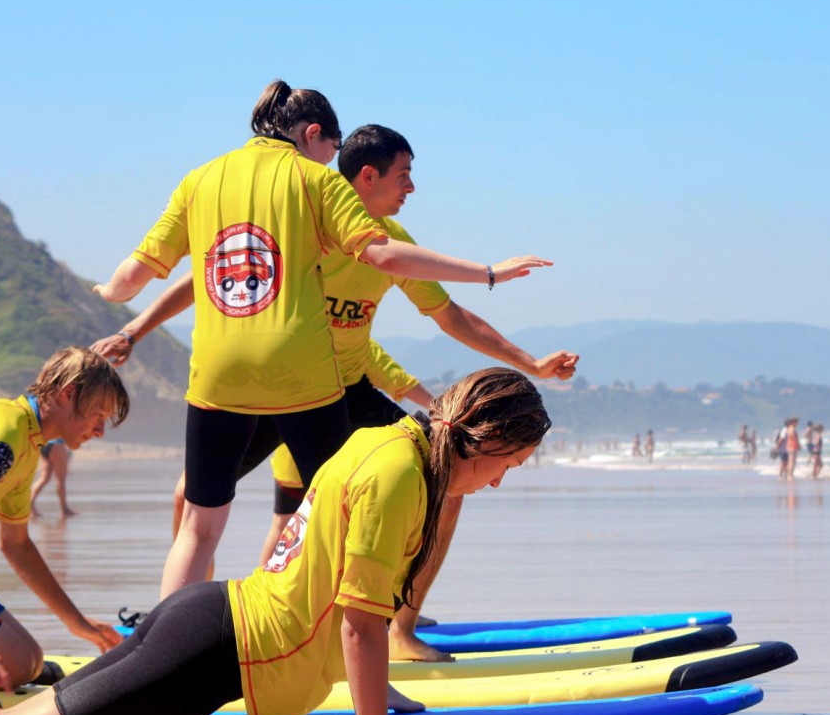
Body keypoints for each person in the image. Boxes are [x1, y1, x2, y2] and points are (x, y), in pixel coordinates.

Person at [0, 368, 550, 715]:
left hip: (208, 623)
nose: (497, 482)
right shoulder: (402, 479)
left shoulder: (381, 441)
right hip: (211, 653)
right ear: (488, 438)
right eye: (509, 465)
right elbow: (360, 626)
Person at [95, 122, 577, 660]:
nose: (411, 189)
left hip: (342, 391)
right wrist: (133, 331)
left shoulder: (396, 245)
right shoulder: (307, 219)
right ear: (366, 176)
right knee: (196, 499)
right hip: (275, 391)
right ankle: (177, 642)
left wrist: (530, 363)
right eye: (404, 176)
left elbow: (450, 317)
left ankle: (399, 629)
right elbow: (204, 276)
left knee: (446, 474)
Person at [0, 347, 128, 697]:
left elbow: (15, 543)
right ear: (67, 394)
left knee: (27, 658)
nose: (101, 430)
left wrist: (76, 623)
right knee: (12, 662)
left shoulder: (23, 439)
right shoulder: (5, 435)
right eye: (98, 414)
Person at [30, 439, 76, 518]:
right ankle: (64, 509)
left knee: (44, 478)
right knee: (60, 480)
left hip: (44, 443)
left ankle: (30, 505)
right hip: (57, 444)